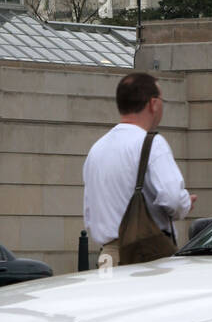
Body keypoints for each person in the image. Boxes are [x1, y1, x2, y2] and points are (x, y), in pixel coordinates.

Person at [83, 72, 195, 267]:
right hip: (146, 256)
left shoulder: (96, 150)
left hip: (107, 257)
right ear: (153, 103)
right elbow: (173, 198)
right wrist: (185, 203)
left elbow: (90, 212)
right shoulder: (152, 143)